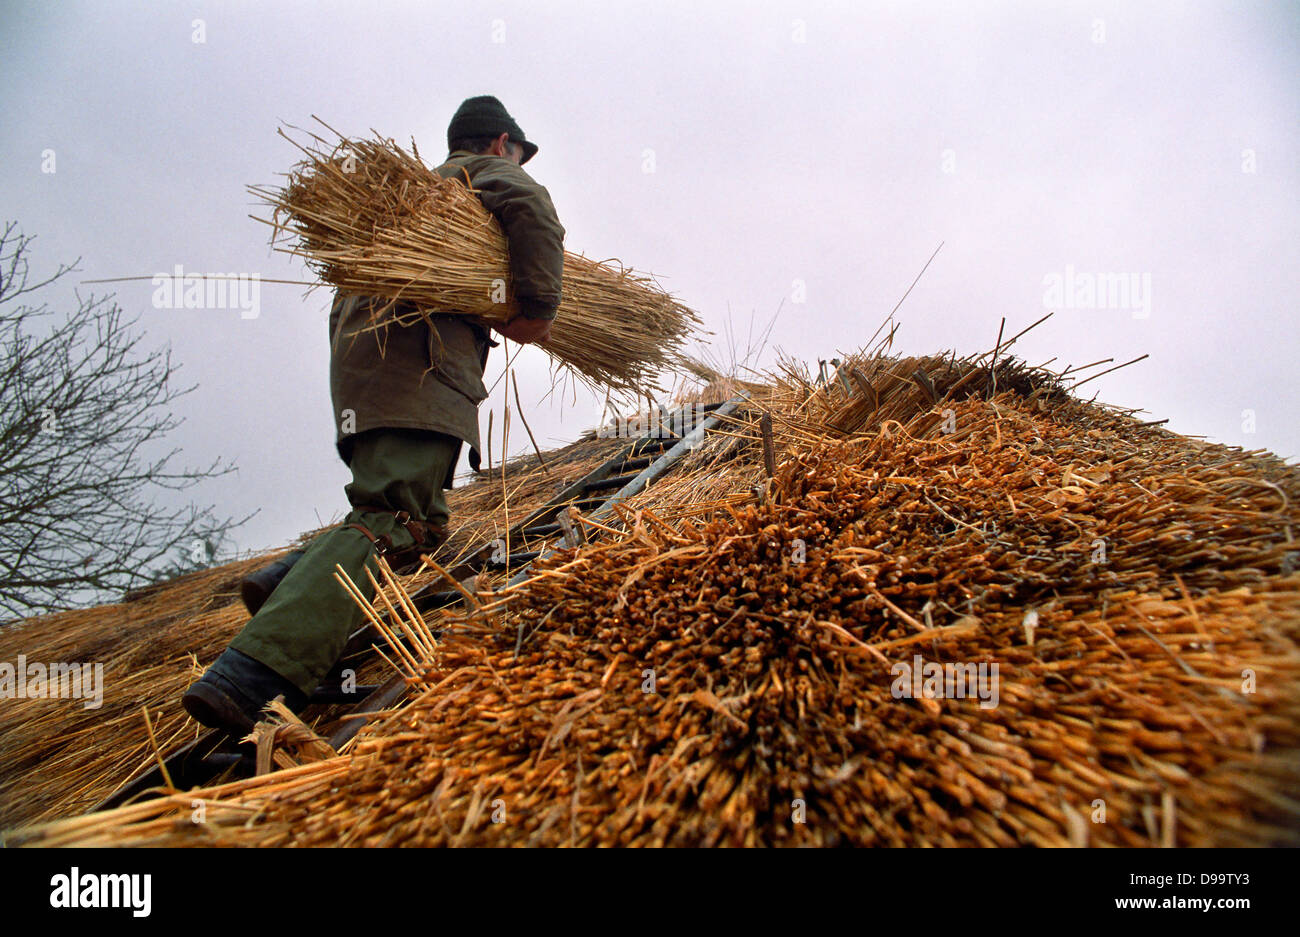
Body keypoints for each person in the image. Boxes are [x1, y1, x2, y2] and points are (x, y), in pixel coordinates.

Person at [182, 96, 564, 735]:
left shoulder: (407, 206)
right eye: (518, 154)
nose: (518, 163)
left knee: (419, 525)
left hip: (368, 372)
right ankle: (251, 673)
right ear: (501, 143)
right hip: (419, 369)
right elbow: (533, 213)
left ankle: (289, 581)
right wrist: (538, 307)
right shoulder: (474, 175)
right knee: (393, 518)